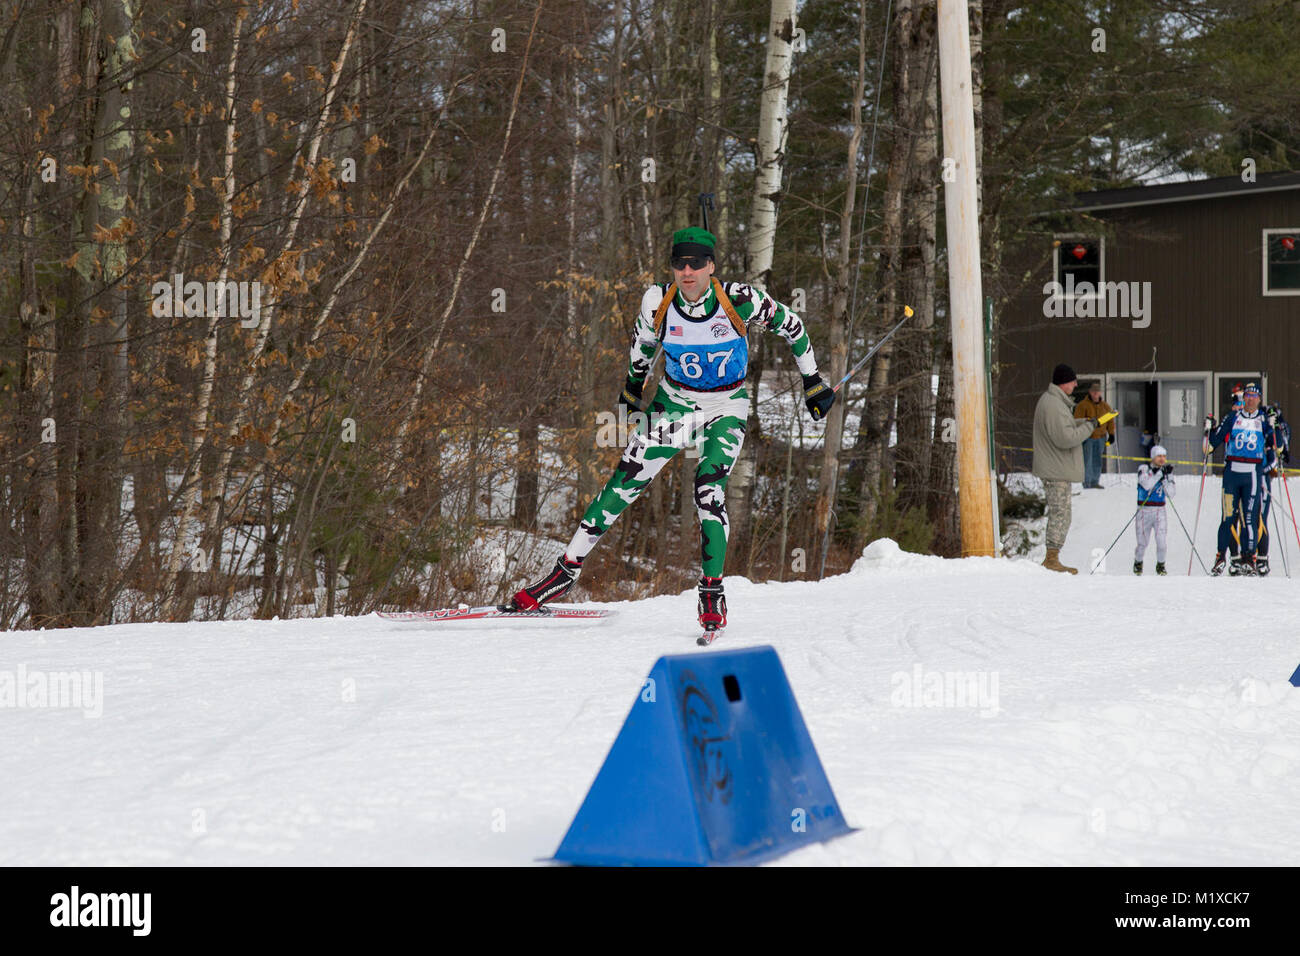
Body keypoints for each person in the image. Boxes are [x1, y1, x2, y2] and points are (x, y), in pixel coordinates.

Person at [508, 227, 835, 633]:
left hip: (726, 407)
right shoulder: (657, 301)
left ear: (711, 267)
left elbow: (794, 327)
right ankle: (566, 571)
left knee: (708, 490)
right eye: (680, 263)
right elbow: (643, 344)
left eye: (696, 263)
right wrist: (632, 385)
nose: (687, 271)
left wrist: (813, 382)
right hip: (674, 404)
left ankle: (712, 591)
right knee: (624, 482)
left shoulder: (740, 300)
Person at [1033, 363, 1100, 574]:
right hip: (1055, 471)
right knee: (1060, 514)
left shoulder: (1056, 403)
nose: (1075, 384)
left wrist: (1082, 422)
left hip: (1057, 469)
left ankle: (1053, 557)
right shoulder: (1053, 404)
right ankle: (1051, 560)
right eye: (1073, 381)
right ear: (1064, 383)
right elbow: (1065, 437)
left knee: (1063, 514)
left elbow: (1065, 425)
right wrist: (1089, 427)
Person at [1206, 381, 1273, 576]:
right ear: (1244, 398)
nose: (1251, 399)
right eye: (1248, 395)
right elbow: (1212, 444)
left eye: (1254, 396)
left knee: (1250, 519)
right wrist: (1209, 429)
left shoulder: (1263, 419)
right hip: (1232, 472)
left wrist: (1275, 424)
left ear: (1259, 399)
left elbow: (1276, 446)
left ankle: (1249, 558)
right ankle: (1220, 557)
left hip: (1253, 473)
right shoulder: (1233, 417)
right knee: (1227, 518)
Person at [1133, 445, 1174, 575]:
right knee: (1142, 543)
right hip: (1144, 510)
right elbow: (1146, 485)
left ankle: (1161, 565)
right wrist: (1159, 475)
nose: (1162, 459)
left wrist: (1168, 478)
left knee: (1161, 541)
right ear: (1153, 457)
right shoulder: (1144, 468)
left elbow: (1171, 494)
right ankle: (1138, 562)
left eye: (1164, 456)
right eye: (1159, 456)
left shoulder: (1165, 471)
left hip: (1159, 511)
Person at [1073, 381, 1116, 488]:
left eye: (1097, 392)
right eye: (1094, 392)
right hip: (1088, 438)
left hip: (1101, 438)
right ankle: (1086, 482)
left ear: (1100, 393)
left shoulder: (1105, 406)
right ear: (1090, 392)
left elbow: (1110, 421)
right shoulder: (1083, 405)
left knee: (1097, 461)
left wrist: (1111, 434)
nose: (1096, 394)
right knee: (1087, 461)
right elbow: (1077, 421)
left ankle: (1094, 481)